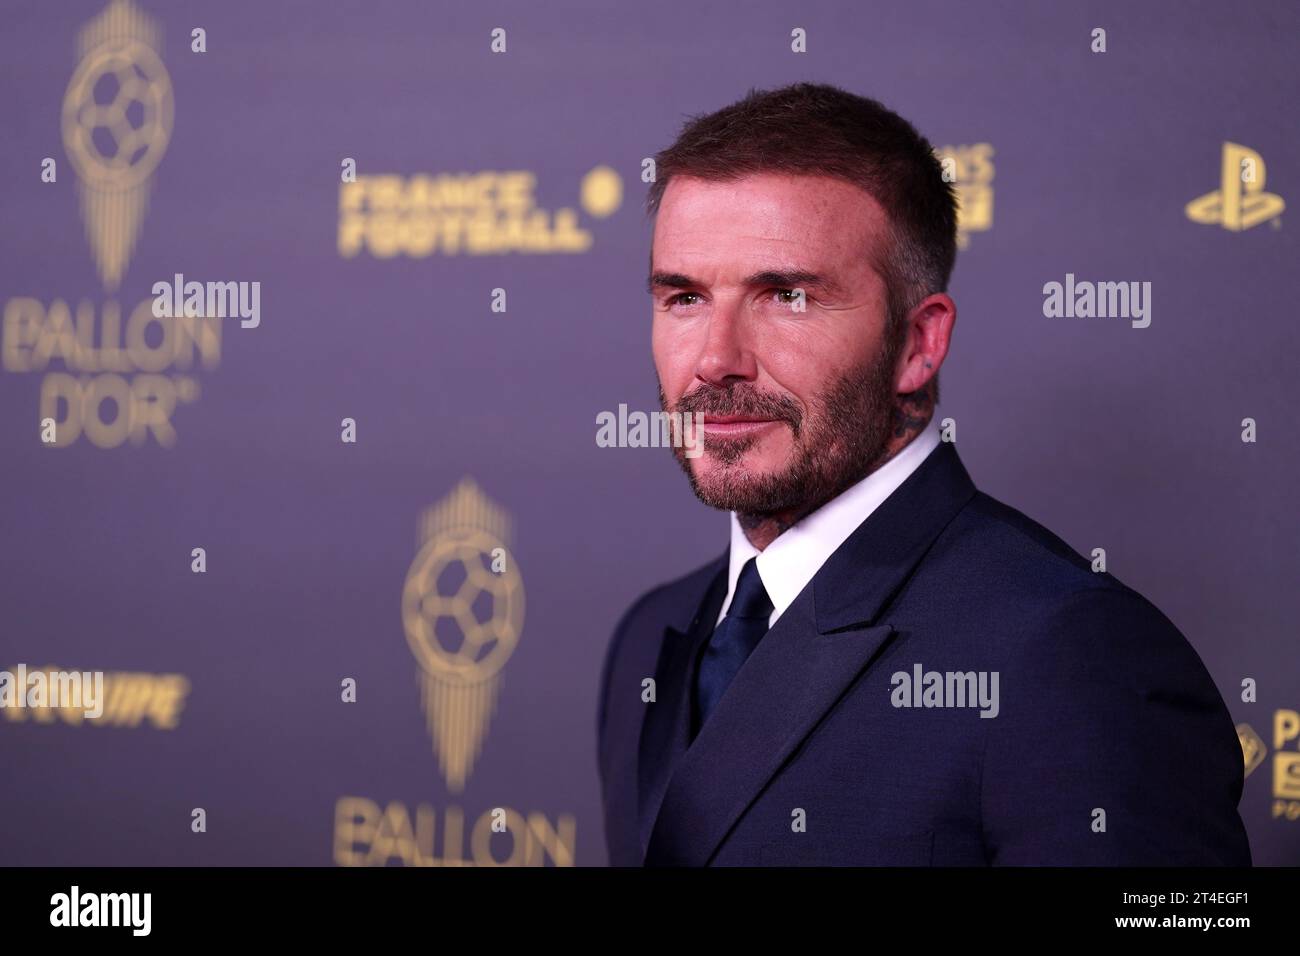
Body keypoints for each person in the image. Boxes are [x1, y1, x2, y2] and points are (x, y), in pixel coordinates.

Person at [595, 82, 1250, 867]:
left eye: (788, 296)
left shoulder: (1071, 657)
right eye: (685, 297)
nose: (714, 359)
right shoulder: (651, 636)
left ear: (918, 343)